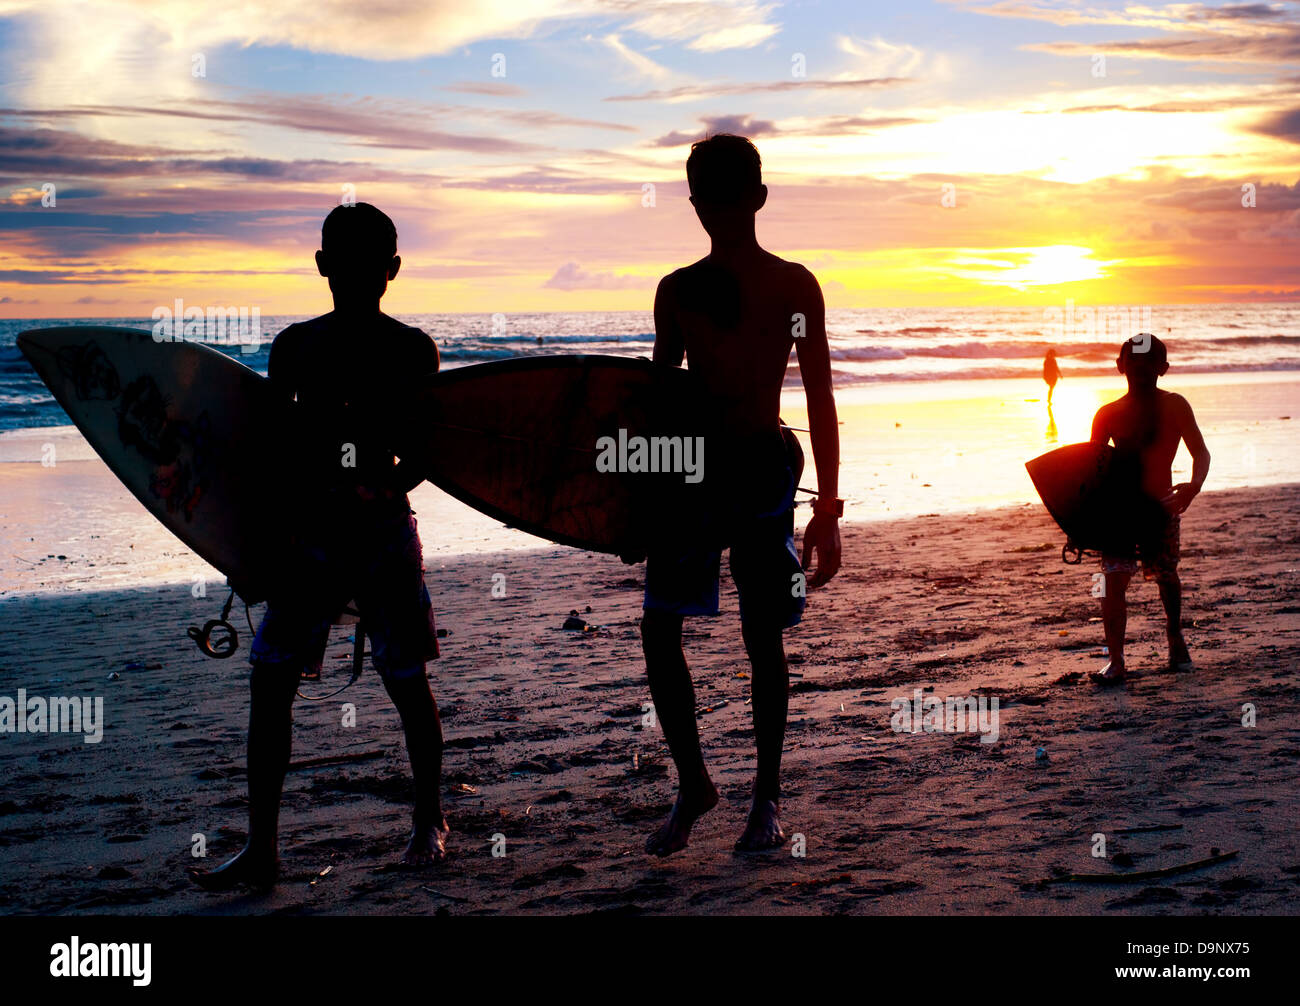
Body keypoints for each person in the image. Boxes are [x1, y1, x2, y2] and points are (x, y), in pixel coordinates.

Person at [191, 203, 447, 889]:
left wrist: (388, 487)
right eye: (348, 260)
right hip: (310, 541)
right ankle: (264, 848)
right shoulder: (296, 348)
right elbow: (275, 455)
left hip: (385, 536)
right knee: (271, 681)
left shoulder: (413, 350)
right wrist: (253, 551)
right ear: (323, 265)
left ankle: (429, 819)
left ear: (390, 270)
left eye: (371, 263)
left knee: (405, 681)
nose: (359, 274)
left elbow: (432, 448)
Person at [639, 134, 842, 856]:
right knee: (662, 629)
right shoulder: (679, 290)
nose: (713, 210)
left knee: (762, 636)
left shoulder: (793, 286)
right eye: (706, 199)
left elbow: (818, 393)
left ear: (755, 199)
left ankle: (766, 801)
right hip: (692, 475)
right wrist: (640, 498)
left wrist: (827, 509)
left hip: (761, 473)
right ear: (695, 204)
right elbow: (662, 400)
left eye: (720, 196)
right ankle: (698, 786)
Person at [1089, 334, 1210, 685]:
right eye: (1133, 361)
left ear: (1163, 368)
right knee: (1113, 581)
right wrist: (1085, 515)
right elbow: (1092, 469)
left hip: (1161, 506)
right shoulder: (1107, 413)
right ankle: (1116, 660)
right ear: (1119, 366)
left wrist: (1193, 485)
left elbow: (1200, 452)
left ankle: (1175, 639)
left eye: (1148, 362)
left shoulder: (1175, 405)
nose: (1140, 368)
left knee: (1167, 576)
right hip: (1118, 511)